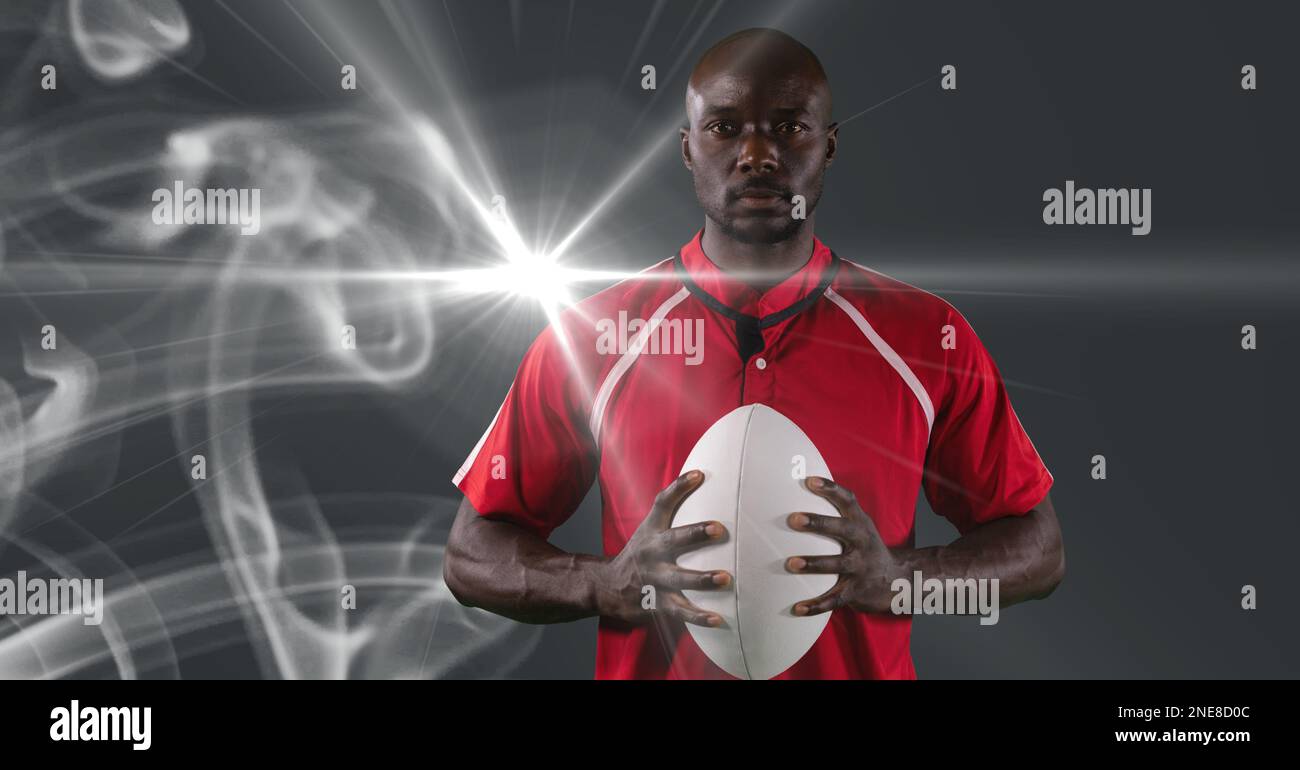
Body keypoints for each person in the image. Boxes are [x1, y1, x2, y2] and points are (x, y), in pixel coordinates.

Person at [443, 28, 1064, 679]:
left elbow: (1039, 550)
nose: (758, 154)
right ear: (688, 148)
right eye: (725, 127)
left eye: (789, 126)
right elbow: (470, 555)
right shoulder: (592, 340)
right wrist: (601, 585)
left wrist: (902, 578)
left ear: (828, 144)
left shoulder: (924, 338)